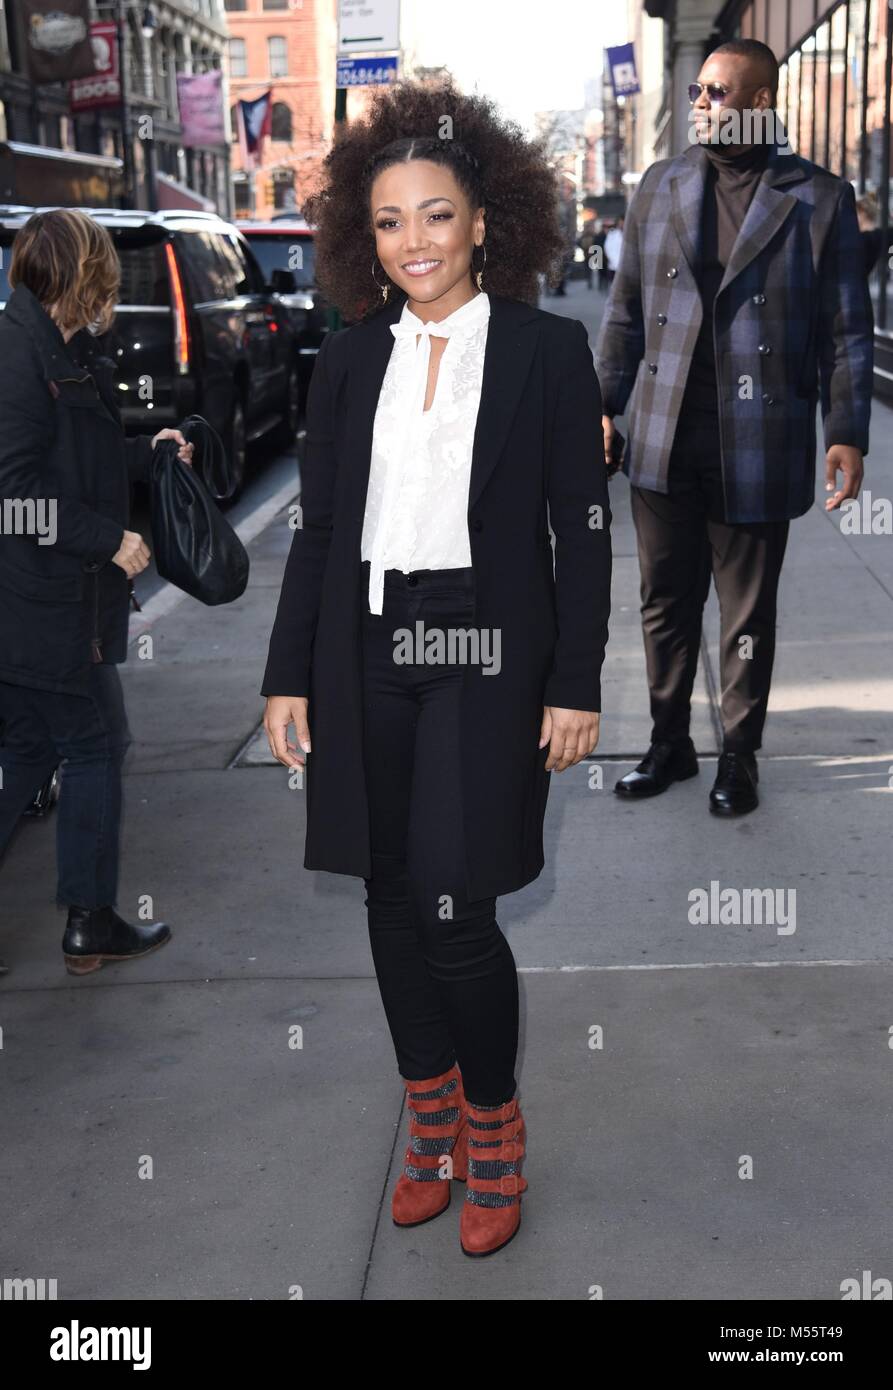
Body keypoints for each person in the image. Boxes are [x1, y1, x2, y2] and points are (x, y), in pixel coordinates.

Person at [261, 78, 612, 1258]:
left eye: (436, 215)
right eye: (388, 221)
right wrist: (287, 671)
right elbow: (316, 529)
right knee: (388, 896)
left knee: (457, 907)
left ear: (485, 222)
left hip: (482, 648)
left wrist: (574, 679)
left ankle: (492, 1123)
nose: (413, 241)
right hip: (364, 642)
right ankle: (427, 1120)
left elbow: (583, 526)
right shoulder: (349, 359)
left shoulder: (545, 352)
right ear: (364, 241)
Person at [597, 38, 872, 814]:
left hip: (758, 436)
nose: (700, 105)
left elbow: (846, 331)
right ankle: (667, 743)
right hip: (662, 432)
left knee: (747, 611)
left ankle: (739, 757)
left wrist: (844, 431)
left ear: (759, 103)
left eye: (716, 93)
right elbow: (623, 312)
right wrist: (601, 404)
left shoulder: (816, 198)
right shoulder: (660, 184)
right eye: (695, 93)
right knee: (663, 600)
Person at [0, 209, 194, 976]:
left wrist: (150, 451)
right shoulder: (17, 351)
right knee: (94, 745)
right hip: (43, 600)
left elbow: (71, 460)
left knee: (25, 748)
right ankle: (90, 921)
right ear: (83, 272)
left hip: (47, 600)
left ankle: (90, 917)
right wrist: (107, 539)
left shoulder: (53, 344)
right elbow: (14, 492)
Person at [603, 217, 624, 284]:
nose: (622, 225)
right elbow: (608, 250)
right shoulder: (612, 235)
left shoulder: (628, 234)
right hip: (615, 267)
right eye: (620, 223)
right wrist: (617, 264)